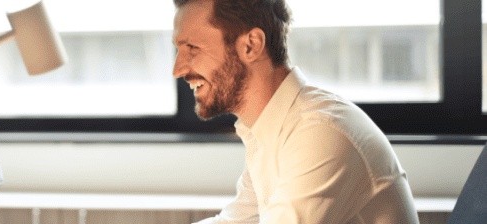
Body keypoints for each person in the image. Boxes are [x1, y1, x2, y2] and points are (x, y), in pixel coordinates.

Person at [171, 0, 419, 223]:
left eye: (192, 48)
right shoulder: (268, 129)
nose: (177, 69)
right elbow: (238, 221)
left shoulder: (321, 132)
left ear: (251, 45)